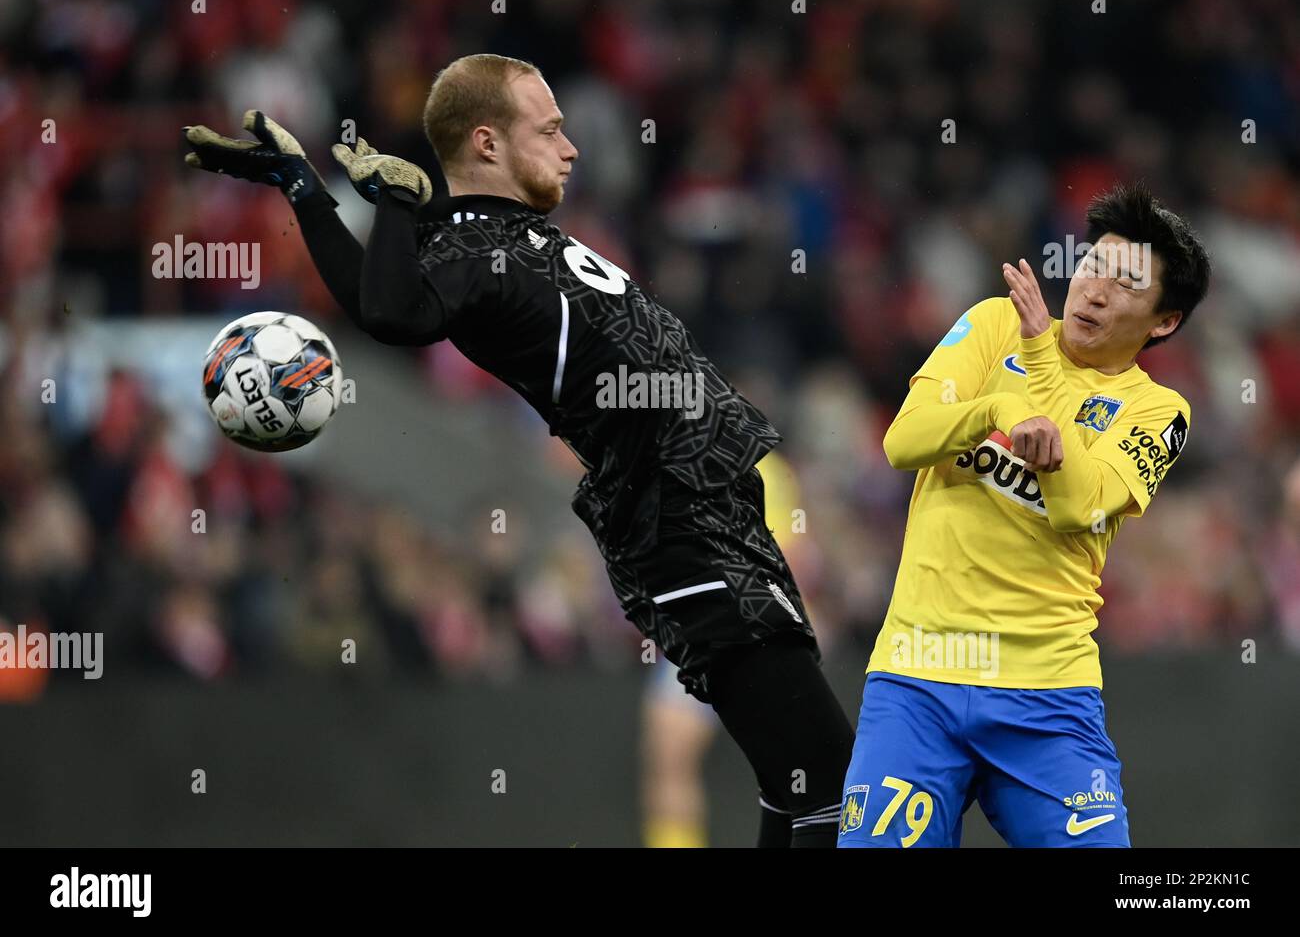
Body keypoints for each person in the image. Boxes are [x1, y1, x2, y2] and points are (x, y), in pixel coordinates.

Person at [183, 53, 854, 847]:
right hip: (680, 520)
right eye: (551, 130)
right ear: (488, 143)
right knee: (829, 784)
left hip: (715, 513)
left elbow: (382, 293)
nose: (572, 148)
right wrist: (392, 202)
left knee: (795, 781)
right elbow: (391, 313)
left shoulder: (501, 239)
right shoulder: (473, 256)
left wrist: (305, 187)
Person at [837, 185, 1209, 848]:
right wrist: (993, 411)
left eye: (1125, 284)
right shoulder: (989, 324)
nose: (1093, 290)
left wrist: (1040, 359)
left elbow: (1077, 505)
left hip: (1046, 694)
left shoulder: (1158, 412)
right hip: (920, 674)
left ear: (1164, 321)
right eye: (1092, 266)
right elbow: (904, 441)